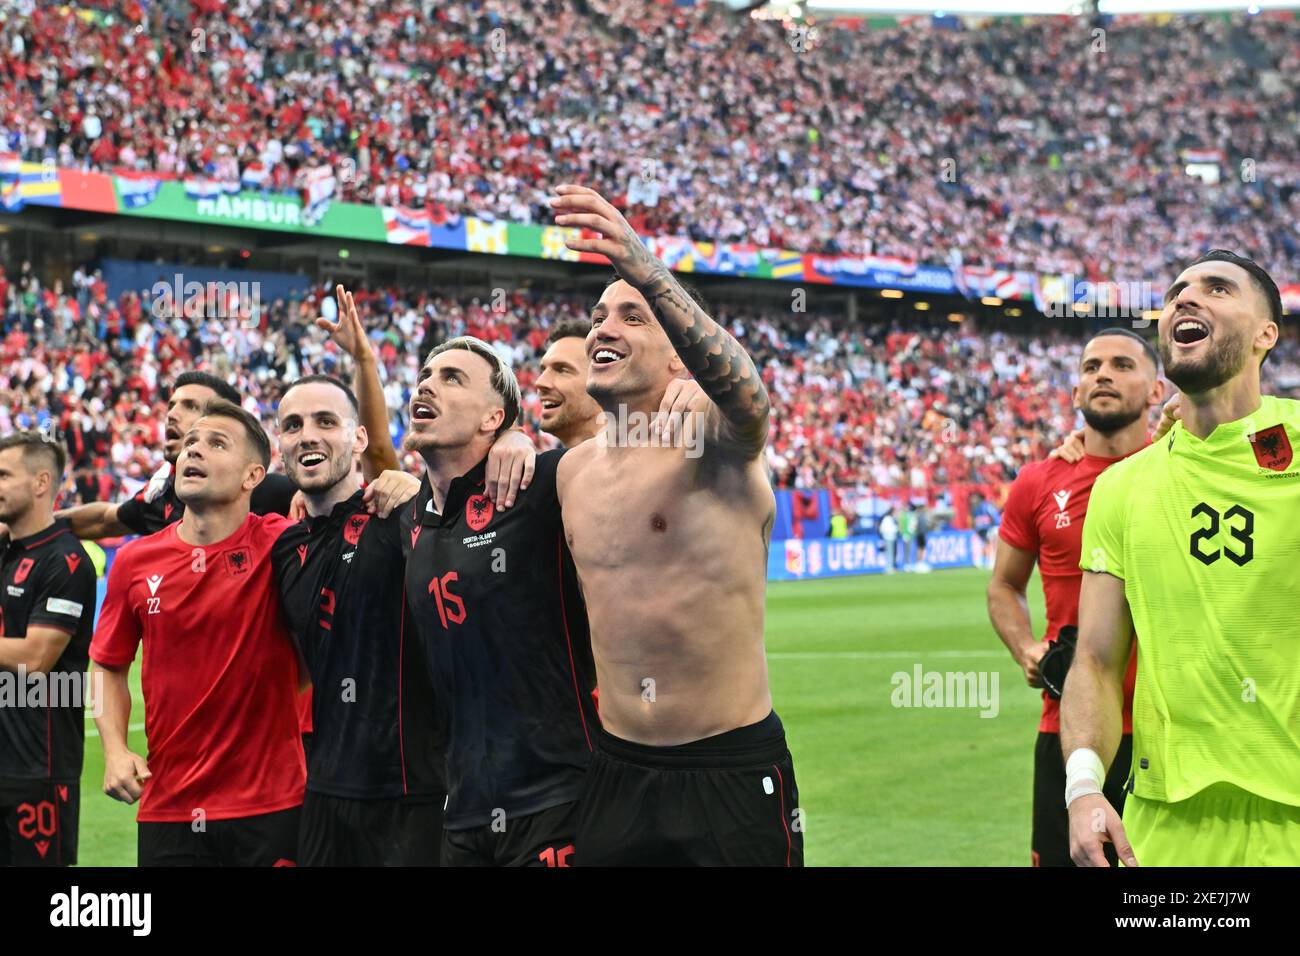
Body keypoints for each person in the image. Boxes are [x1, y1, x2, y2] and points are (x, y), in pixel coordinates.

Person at [550, 183, 801, 866]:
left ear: (676, 356)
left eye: (632, 315)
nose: (603, 327)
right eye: (599, 315)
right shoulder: (570, 471)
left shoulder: (711, 438)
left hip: (727, 772)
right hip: (616, 771)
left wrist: (645, 268)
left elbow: (749, 395)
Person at [1065, 250, 1300, 866]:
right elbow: (1093, 659)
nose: (1185, 300)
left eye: (1218, 289)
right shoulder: (1121, 487)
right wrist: (1084, 789)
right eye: (1175, 293)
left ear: (1265, 335)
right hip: (1162, 826)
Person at [399, 336, 598, 867]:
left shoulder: (543, 486)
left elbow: (627, 455)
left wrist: (521, 436)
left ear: (492, 417)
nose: (426, 384)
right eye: (426, 374)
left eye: (451, 378)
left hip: (558, 800)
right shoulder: (406, 518)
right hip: (462, 812)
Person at [91, 400, 306, 866]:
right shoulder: (133, 562)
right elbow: (108, 666)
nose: (193, 451)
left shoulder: (282, 543)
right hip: (169, 808)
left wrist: (398, 479)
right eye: (190, 443)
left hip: (272, 806)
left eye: (215, 443)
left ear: (253, 476)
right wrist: (114, 750)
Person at [988, 327, 1159, 866]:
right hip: (1071, 734)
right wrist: (1025, 649)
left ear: (1158, 391)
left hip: (1172, 731)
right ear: (1076, 391)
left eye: (1122, 365)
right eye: (1091, 367)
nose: (1103, 374)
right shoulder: (1039, 481)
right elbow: (1003, 585)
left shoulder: (1183, 472)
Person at [0, 433, 97, 866]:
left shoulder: (65, 560)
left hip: (37, 768)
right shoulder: (6, 552)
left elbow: (37, 659)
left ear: (41, 483)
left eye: (3, 475)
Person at [57, 371, 296, 538]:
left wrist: (312, 495)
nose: (171, 414)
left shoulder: (269, 492)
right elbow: (104, 520)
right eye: (172, 405)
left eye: (190, 406)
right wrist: (35, 526)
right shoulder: (161, 496)